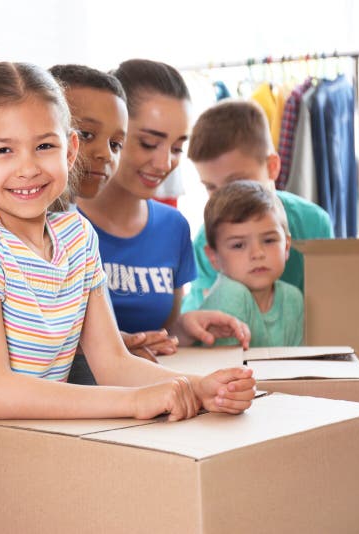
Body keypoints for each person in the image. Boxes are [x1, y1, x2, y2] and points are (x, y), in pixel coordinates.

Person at [0, 61, 256, 534]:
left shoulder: (77, 236)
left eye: (44, 146)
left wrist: (196, 388)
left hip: (15, 490)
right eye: (3, 150)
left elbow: (113, 362)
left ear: (69, 149)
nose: (28, 167)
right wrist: (135, 401)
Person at [66, 59, 250, 384]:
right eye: (149, 143)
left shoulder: (173, 228)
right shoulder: (57, 226)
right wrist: (112, 351)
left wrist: (184, 329)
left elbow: (158, 336)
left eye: (177, 147)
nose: (165, 163)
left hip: (149, 399)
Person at [49, 64, 175, 362]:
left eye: (116, 144)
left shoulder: (77, 231)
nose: (106, 153)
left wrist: (116, 346)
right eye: (86, 134)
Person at [181, 99, 333, 313]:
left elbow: (327, 307)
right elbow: (207, 317)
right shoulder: (208, 239)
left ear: (272, 167)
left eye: (236, 183)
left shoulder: (314, 223)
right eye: (210, 187)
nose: (225, 198)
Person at [198, 180, 303, 346]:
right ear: (213, 257)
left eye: (269, 240)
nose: (257, 254)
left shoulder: (293, 298)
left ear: (286, 246)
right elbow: (225, 363)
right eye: (238, 245)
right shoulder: (230, 295)